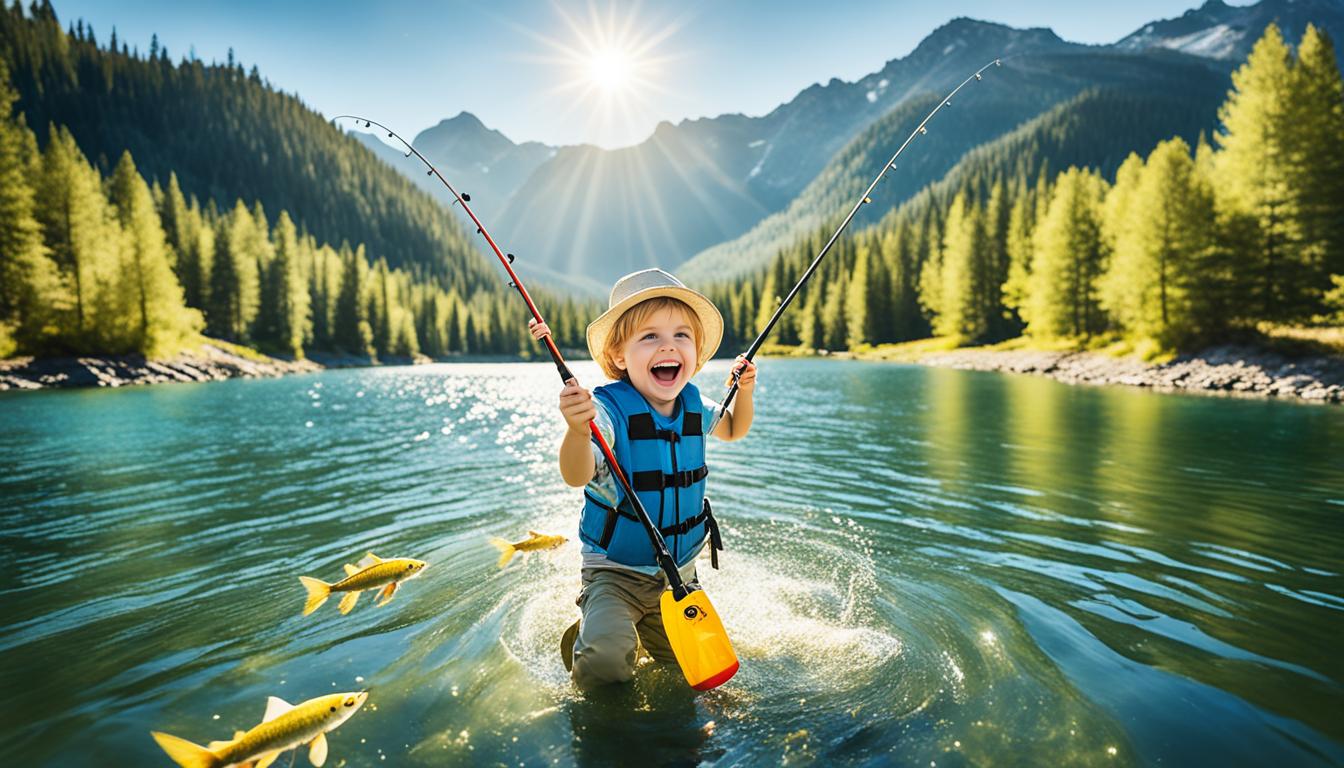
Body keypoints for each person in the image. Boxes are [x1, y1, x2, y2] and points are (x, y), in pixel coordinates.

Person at [528, 268, 757, 691]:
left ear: (696, 350)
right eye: (649, 336)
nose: (668, 345)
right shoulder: (607, 412)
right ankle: (596, 632)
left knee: (692, 674)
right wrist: (577, 430)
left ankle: (638, 632)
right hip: (614, 573)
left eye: (681, 335)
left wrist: (744, 391)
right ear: (618, 356)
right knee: (606, 666)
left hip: (679, 575)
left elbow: (734, 429)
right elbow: (574, 473)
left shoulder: (695, 404)